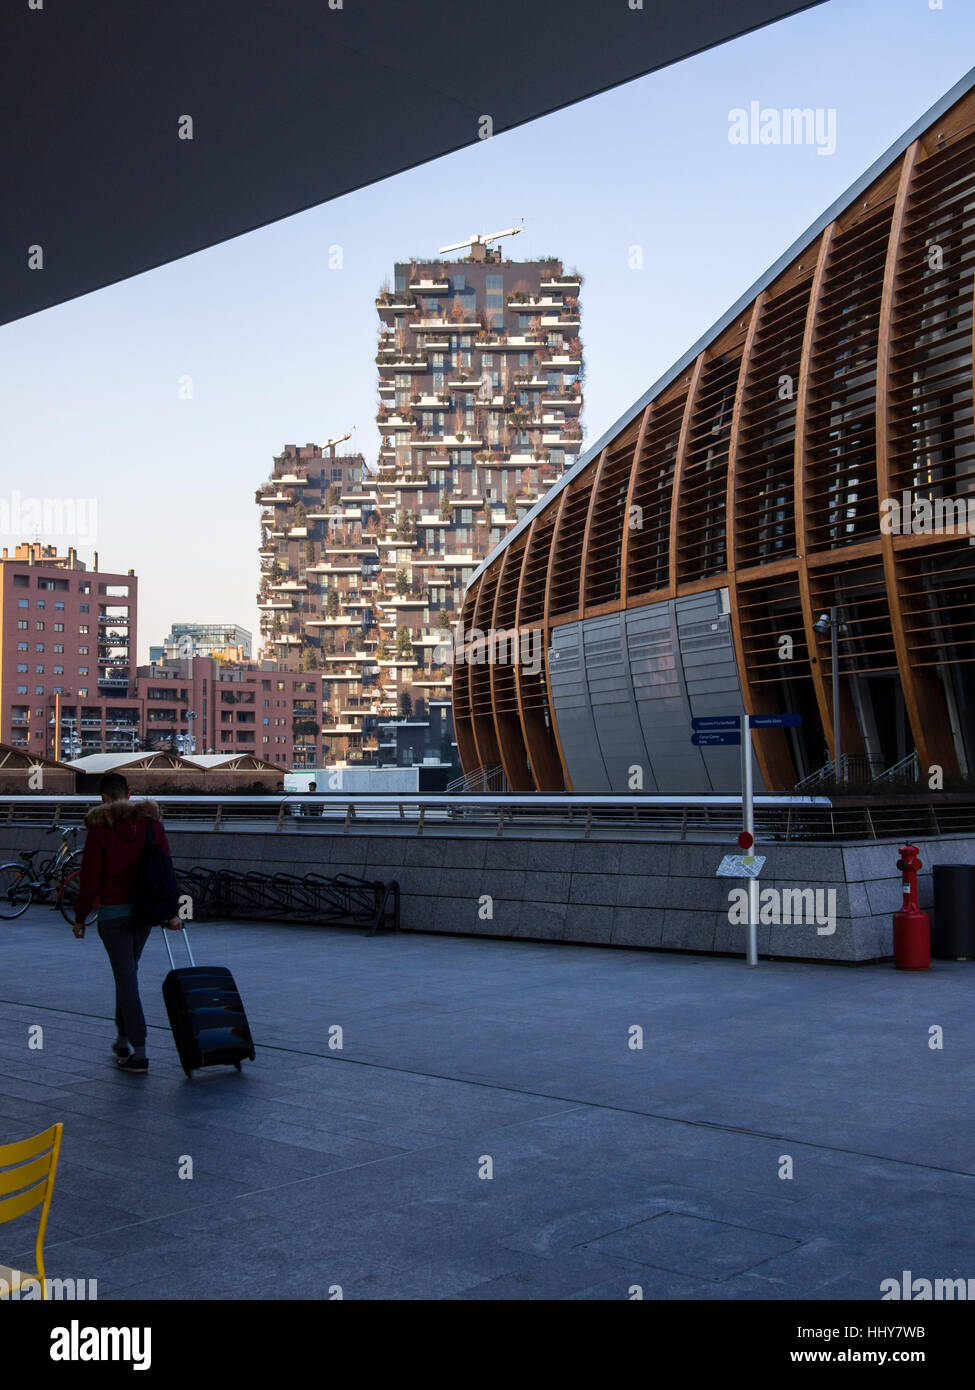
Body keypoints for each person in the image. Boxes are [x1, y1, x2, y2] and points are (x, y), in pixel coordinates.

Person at [73, 772, 182, 1075]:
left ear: (104, 798)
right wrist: (171, 912)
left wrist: (80, 918)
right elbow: (166, 870)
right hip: (145, 914)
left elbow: (90, 879)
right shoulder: (152, 824)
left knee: (126, 980)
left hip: (113, 916)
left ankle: (140, 1050)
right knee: (127, 974)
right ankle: (122, 1040)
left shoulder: (100, 828)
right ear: (129, 793)